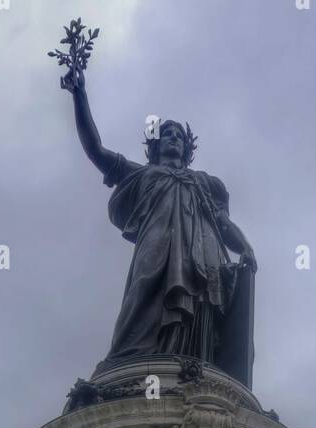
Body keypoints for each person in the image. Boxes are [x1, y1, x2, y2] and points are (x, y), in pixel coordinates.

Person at [63, 68, 257, 384]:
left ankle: (191, 370)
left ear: (187, 147)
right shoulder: (141, 174)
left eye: (179, 136)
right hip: (156, 246)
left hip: (204, 254)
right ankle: (132, 363)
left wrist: (245, 246)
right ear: (154, 145)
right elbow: (95, 150)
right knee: (144, 291)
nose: (174, 139)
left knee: (201, 308)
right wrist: (79, 95)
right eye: (167, 134)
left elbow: (223, 223)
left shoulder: (206, 183)